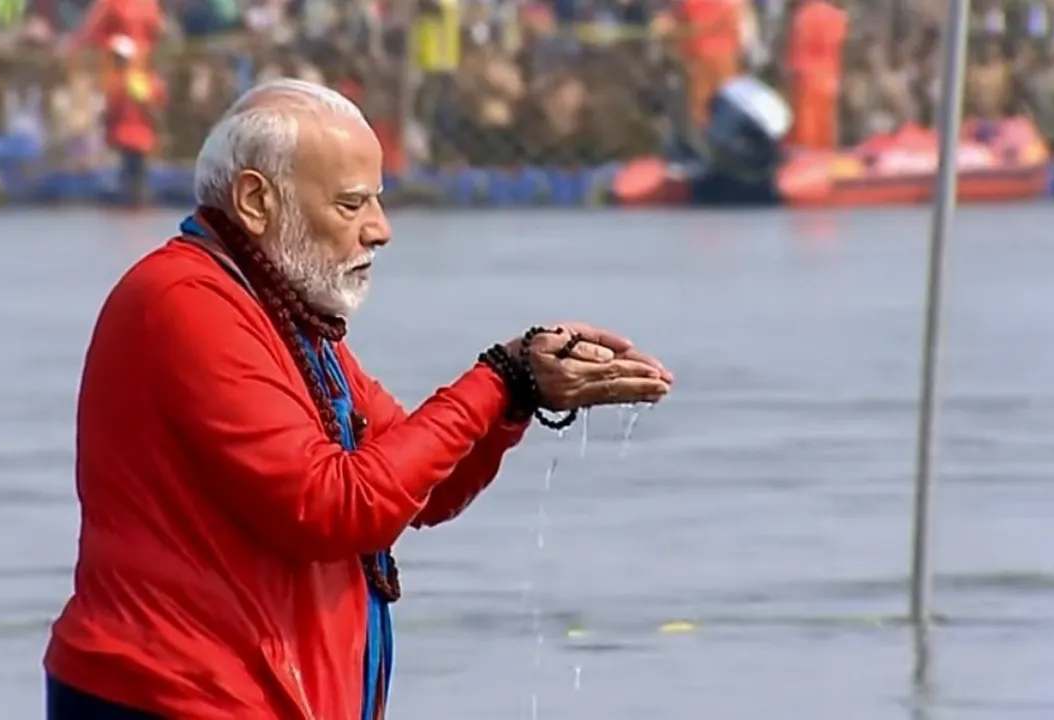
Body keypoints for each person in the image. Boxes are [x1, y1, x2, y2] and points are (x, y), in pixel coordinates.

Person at [43, 78, 673, 719]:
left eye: (378, 200)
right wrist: (498, 377)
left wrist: (520, 391)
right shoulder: (186, 302)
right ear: (257, 201)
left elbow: (424, 488)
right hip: (171, 696)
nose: (381, 230)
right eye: (351, 205)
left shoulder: (282, 313)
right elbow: (337, 508)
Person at [103, 34, 164, 205]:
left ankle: (136, 205)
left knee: (133, 177)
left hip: (133, 136)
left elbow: (147, 107)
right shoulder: (130, 80)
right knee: (133, 176)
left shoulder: (130, 80)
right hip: (132, 136)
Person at [785, 0, 847, 149]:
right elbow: (838, 46)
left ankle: (810, 156)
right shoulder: (837, 16)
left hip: (808, 75)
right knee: (827, 121)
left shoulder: (803, 15)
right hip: (829, 75)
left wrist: (792, 68)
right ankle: (826, 156)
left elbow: (799, 46)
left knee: (808, 122)